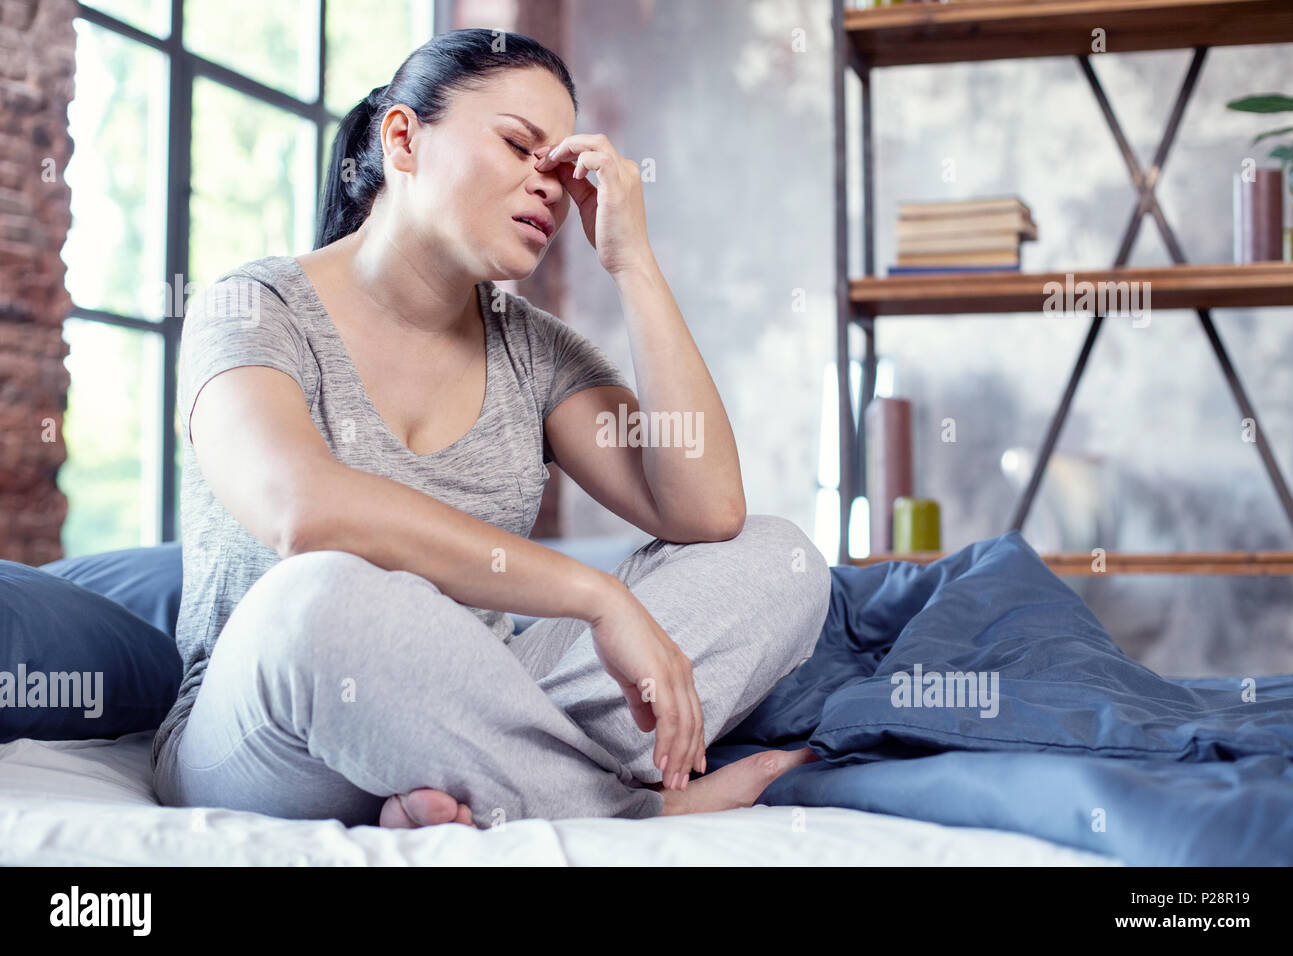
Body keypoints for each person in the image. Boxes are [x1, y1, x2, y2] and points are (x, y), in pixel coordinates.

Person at [151, 28, 831, 829]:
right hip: (279, 726)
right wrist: (597, 597)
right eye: (518, 146)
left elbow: (706, 511)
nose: (548, 185)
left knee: (777, 558)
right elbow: (303, 512)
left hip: (480, 700)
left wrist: (633, 263)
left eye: (562, 166)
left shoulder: (533, 349)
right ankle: (623, 811)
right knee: (318, 597)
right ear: (403, 139)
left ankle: (470, 790)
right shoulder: (252, 308)